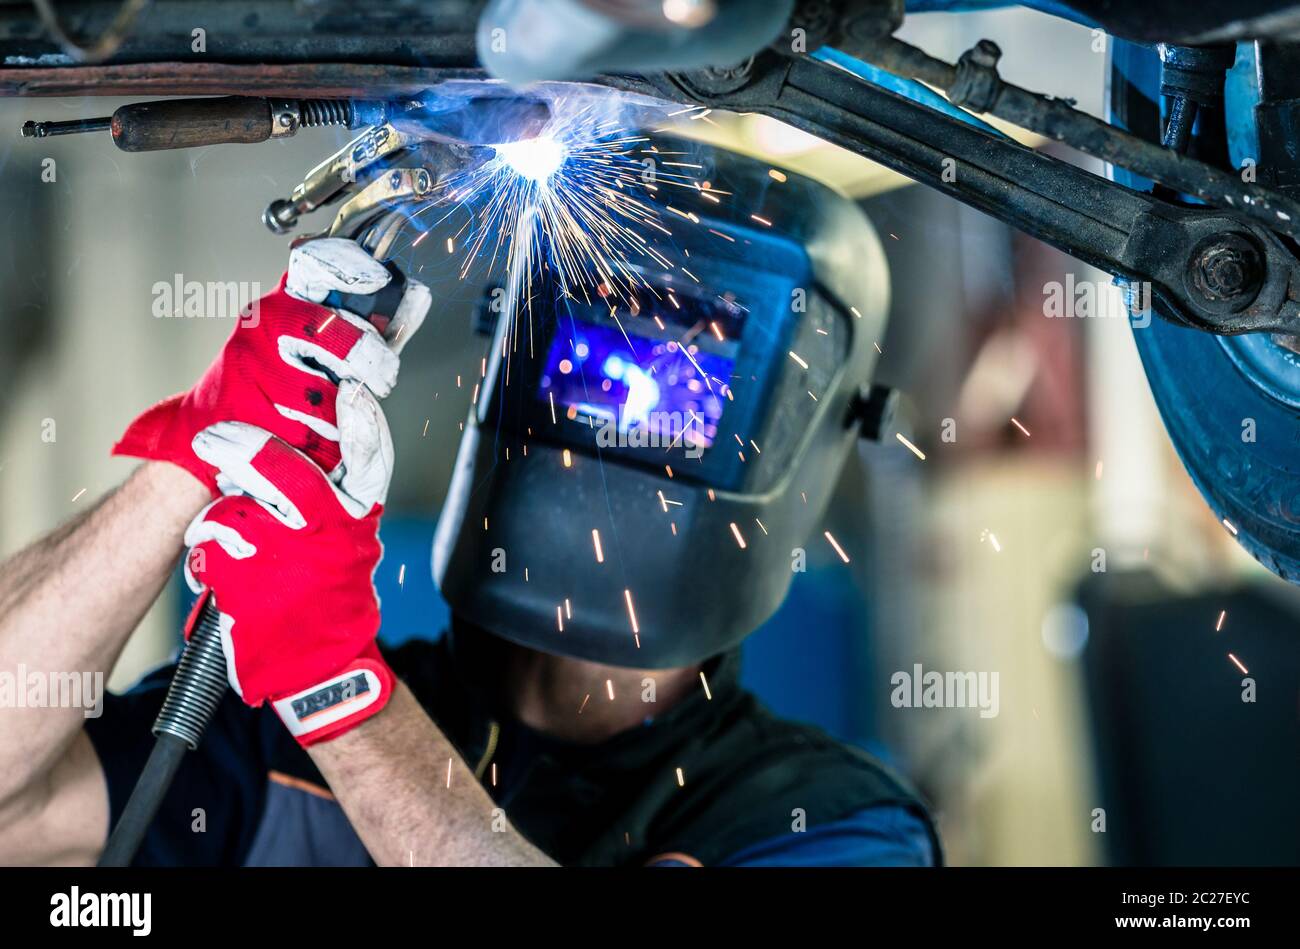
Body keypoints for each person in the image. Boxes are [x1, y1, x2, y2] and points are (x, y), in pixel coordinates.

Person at [0, 150, 939, 867]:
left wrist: (339, 693)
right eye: (588, 352)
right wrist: (203, 448)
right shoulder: (261, 730)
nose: (621, 400)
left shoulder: (826, 820)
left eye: (680, 376)